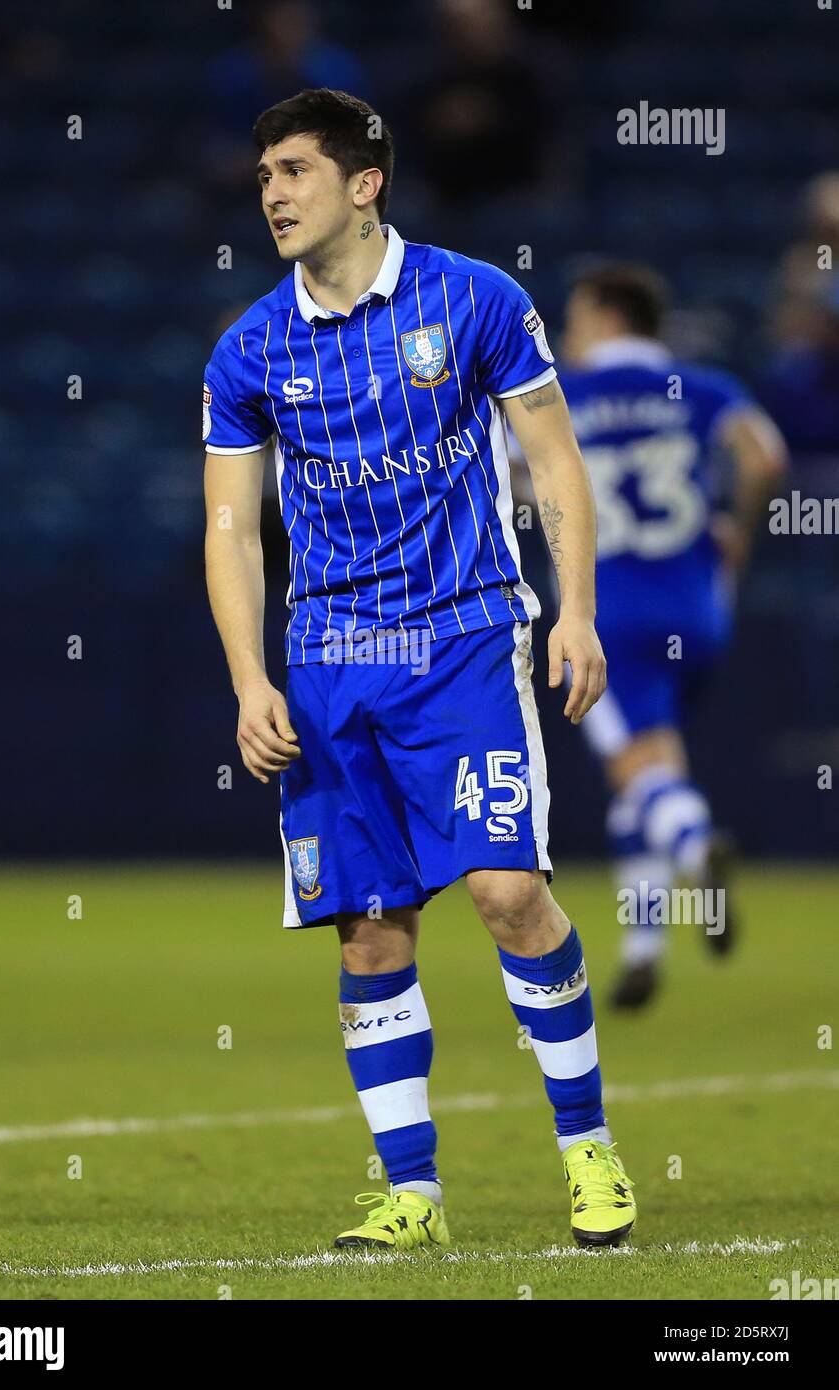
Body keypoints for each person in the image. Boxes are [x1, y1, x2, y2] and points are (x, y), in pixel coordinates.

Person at [203, 88, 635, 1249]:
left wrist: (575, 613)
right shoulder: (248, 346)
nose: (273, 194)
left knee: (504, 892)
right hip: (329, 659)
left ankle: (587, 1148)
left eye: (293, 171)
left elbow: (552, 461)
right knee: (371, 931)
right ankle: (413, 1196)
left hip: (460, 640)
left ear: (363, 184)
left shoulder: (475, 298)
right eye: (261, 178)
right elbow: (232, 530)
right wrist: (251, 679)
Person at [560, 264, 787, 1007]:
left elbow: (522, 478)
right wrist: (737, 536)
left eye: (574, 315)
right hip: (698, 608)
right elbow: (765, 454)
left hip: (609, 616)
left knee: (640, 772)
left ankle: (697, 852)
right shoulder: (702, 385)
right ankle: (642, 949)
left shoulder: (563, 394)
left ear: (601, 315)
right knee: (649, 773)